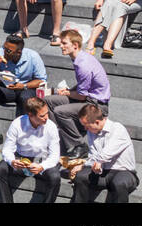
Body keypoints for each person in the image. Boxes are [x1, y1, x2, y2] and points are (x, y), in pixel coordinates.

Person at [44, 30, 111, 158]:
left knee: (59, 111)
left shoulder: (83, 65)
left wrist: (68, 93)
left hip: (96, 104)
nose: (61, 46)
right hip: (89, 98)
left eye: (64, 43)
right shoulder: (81, 58)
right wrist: (68, 92)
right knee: (48, 101)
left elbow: (81, 96)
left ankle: (78, 145)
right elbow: (82, 88)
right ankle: (58, 137)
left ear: (75, 45)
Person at [0, 33, 48, 148]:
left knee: (25, 98)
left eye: (9, 51)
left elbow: (42, 80)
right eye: (4, 48)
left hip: (26, 87)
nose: (5, 52)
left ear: (18, 52)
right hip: (7, 88)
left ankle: (22, 134)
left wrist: (24, 85)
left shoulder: (33, 56)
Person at [0, 97, 62, 203]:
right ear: (30, 115)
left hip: (42, 159)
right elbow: (7, 149)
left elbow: (55, 155)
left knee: (55, 177)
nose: (46, 118)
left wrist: (42, 166)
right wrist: (12, 161)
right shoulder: (17, 123)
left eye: (47, 113)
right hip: (21, 158)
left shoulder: (51, 126)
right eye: (42, 116)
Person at [70, 104, 138, 203]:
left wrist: (98, 161)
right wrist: (84, 165)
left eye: (86, 126)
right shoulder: (91, 132)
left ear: (97, 122)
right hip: (104, 172)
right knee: (81, 177)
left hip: (123, 171)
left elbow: (109, 151)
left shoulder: (117, 128)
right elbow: (93, 154)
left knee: (119, 183)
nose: (85, 129)